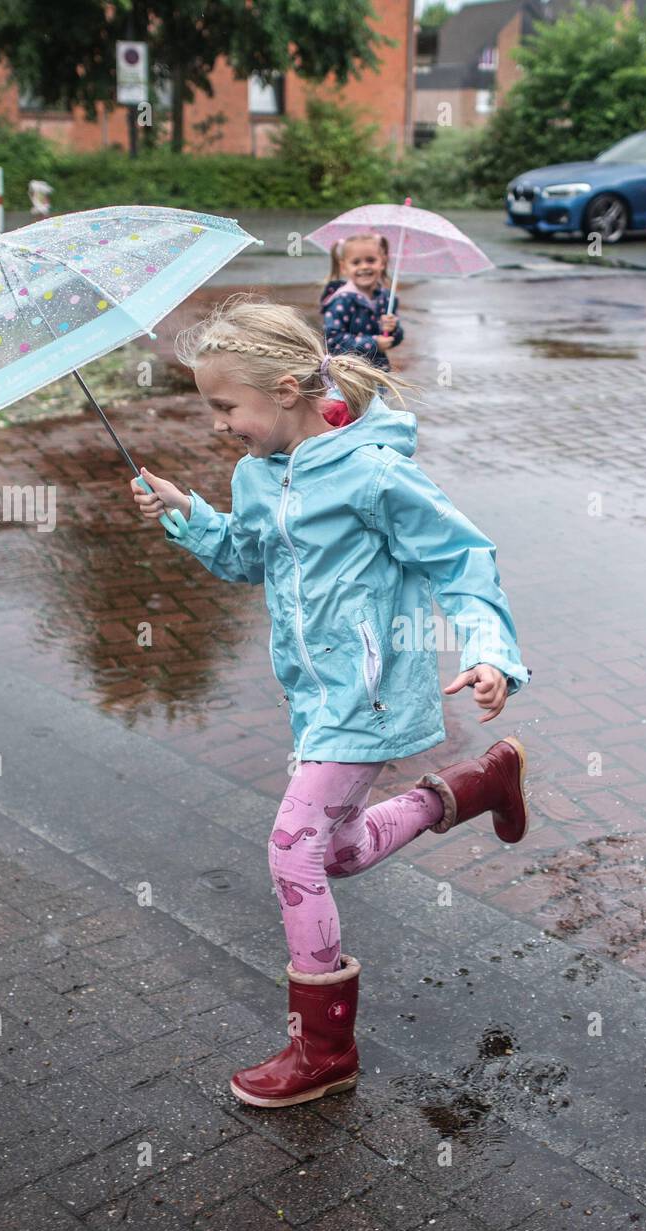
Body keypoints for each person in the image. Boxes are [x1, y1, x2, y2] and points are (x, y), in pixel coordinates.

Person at [130, 294, 532, 1109]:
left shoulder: (375, 474)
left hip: (371, 698)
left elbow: (462, 558)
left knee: (292, 851)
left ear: (284, 390)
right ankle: (474, 786)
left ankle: (324, 1051)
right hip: (314, 701)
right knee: (339, 853)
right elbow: (249, 559)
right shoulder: (255, 472)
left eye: (224, 406)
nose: (218, 424)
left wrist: (489, 652)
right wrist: (187, 513)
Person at [321, 234, 403, 373]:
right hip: (348, 374)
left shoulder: (386, 298)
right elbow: (332, 340)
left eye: (371, 260)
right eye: (356, 262)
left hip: (377, 371)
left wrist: (392, 329)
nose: (364, 266)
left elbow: (394, 339)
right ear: (343, 267)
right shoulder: (342, 300)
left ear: (382, 263)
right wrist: (374, 343)